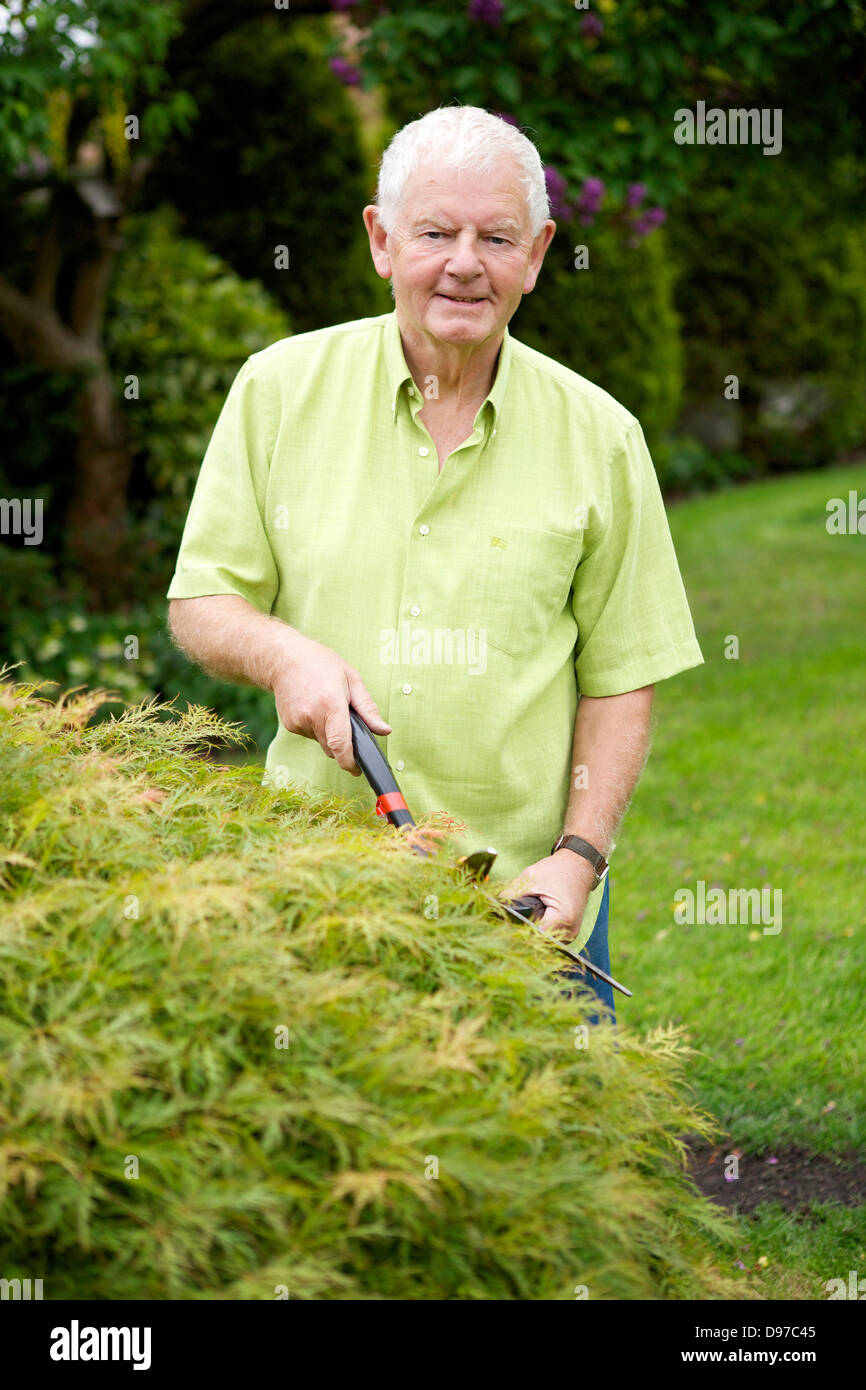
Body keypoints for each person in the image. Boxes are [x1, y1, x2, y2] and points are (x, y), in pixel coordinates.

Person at [167, 105, 703, 1022]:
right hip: (318, 890)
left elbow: (624, 676)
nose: (465, 262)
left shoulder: (603, 437)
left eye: (496, 237)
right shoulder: (276, 390)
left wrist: (579, 858)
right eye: (434, 232)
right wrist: (284, 655)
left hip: (532, 910)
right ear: (382, 241)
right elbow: (203, 600)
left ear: (536, 255)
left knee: (550, 1162)